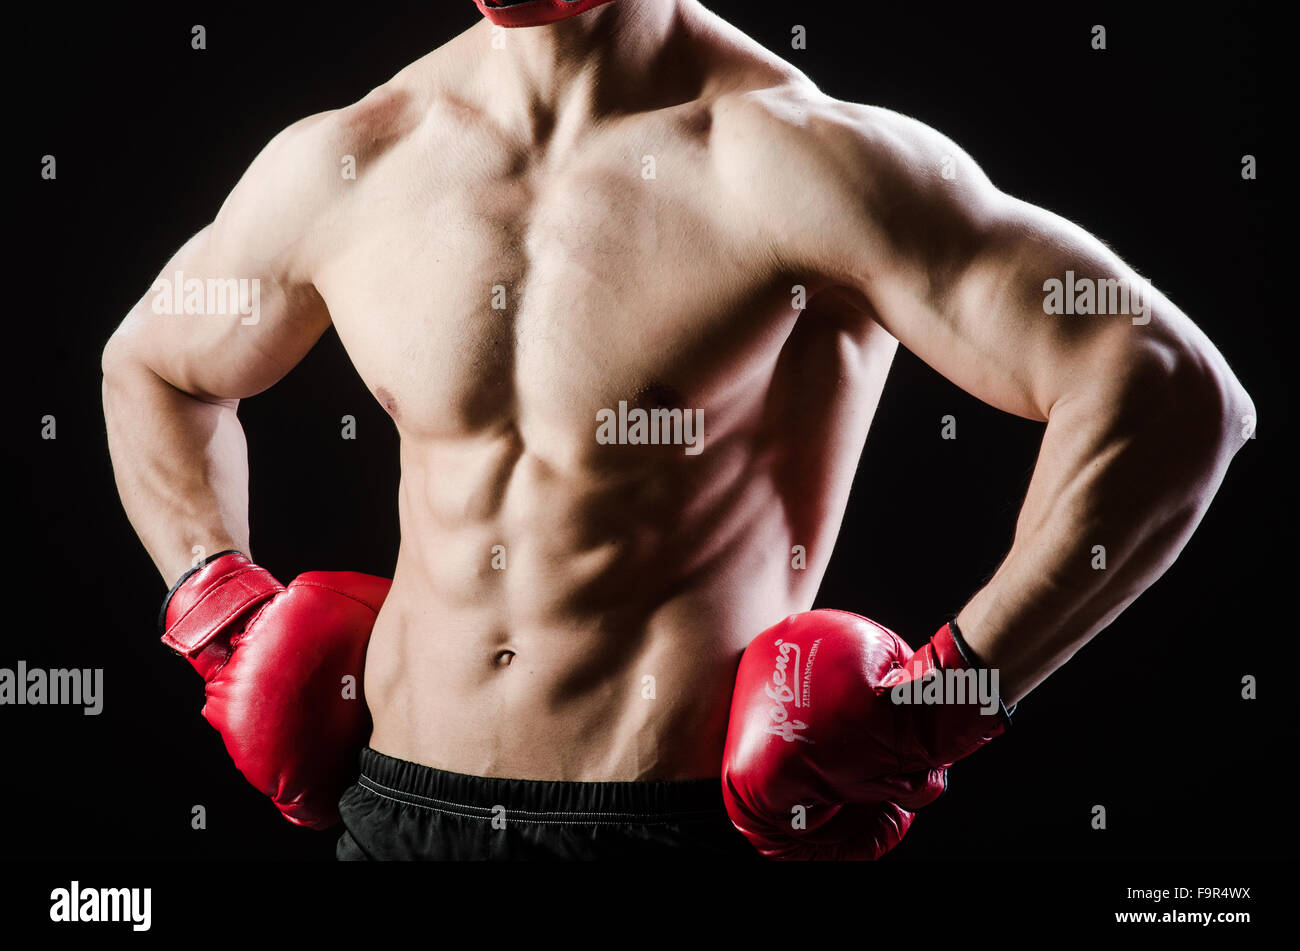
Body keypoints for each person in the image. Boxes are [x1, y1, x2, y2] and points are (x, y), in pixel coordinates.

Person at [101, 0, 1255, 860]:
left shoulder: (795, 159)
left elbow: (1165, 394)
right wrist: (220, 617)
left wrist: (941, 704)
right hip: (395, 816)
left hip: (674, 826)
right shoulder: (355, 161)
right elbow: (151, 364)